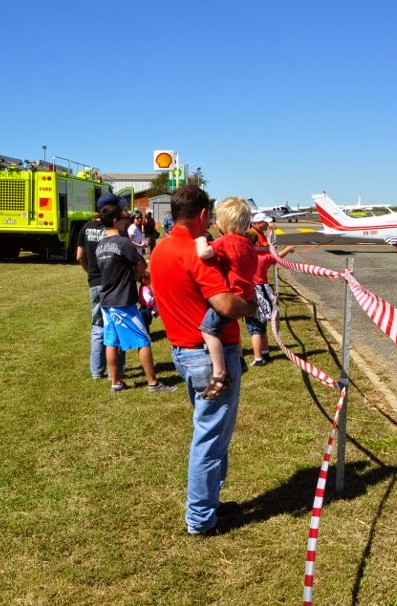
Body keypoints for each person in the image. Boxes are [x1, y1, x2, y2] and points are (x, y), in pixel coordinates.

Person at [149, 185, 256, 536]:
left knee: (212, 435)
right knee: (209, 440)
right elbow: (226, 305)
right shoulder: (194, 252)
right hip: (208, 356)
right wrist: (257, 307)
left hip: (182, 351)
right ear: (201, 216)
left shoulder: (162, 247)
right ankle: (200, 519)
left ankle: (209, 503)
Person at [95, 202, 174, 394]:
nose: (127, 221)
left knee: (111, 342)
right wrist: (139, 277)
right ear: (116, 221)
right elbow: (140, 265)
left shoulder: (100, 245)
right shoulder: (123, 243)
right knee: (143, 340)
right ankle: (153, 383)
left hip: (105, 300)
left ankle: (116, 383)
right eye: (124, 219)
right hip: (122, 301)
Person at [194, 197, 257, 383]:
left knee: (208, 329)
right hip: (247, 296)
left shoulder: (226, 242)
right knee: (231, 326)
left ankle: (219, 370)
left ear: (222, 223)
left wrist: (201, 240)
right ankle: (239, 358)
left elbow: (204, 253)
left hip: (233, 296)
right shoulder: (247, 244)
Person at [77, 194, 127, 381]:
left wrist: (90, 271)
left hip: (95, 282)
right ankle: (118, 370)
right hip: (115, 284)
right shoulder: (116, 230)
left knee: (98, 326)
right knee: (118, 324)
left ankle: (97, 371)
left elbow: (79, 256)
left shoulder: (86, 227)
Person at [247, 214, 296, 366]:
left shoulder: (247, 258)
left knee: (255, 328)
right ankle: (265, 353)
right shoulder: (263, 258)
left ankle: (258, 358)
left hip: (253, 290)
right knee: (262, 326)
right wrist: (287, 249)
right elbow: (275, 257)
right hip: (263, 288)